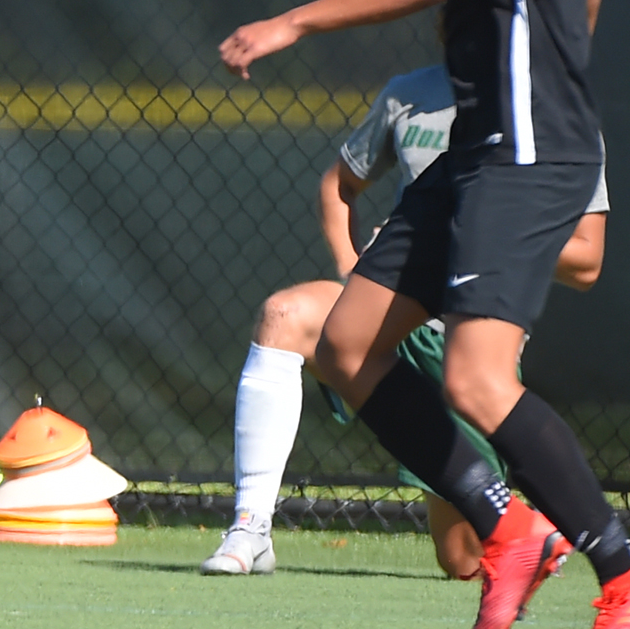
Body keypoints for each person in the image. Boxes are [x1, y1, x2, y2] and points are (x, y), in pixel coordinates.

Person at [220, 0, 628, 629]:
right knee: (349, 346)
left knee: (475, 379)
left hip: (525, 152)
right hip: (486, 144)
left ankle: (619, 570)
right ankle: (505, 528)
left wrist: (290, 21)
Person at [201, 61, 607, 579]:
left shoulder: (561, 115)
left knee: (464, 562)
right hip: (386, 315)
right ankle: (250, 528)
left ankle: (549, 525)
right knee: (285, 315)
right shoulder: (409, 94)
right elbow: (337, 184)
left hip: (468, 344)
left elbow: (586, 261)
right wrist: (356, 271)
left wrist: (469, 240)